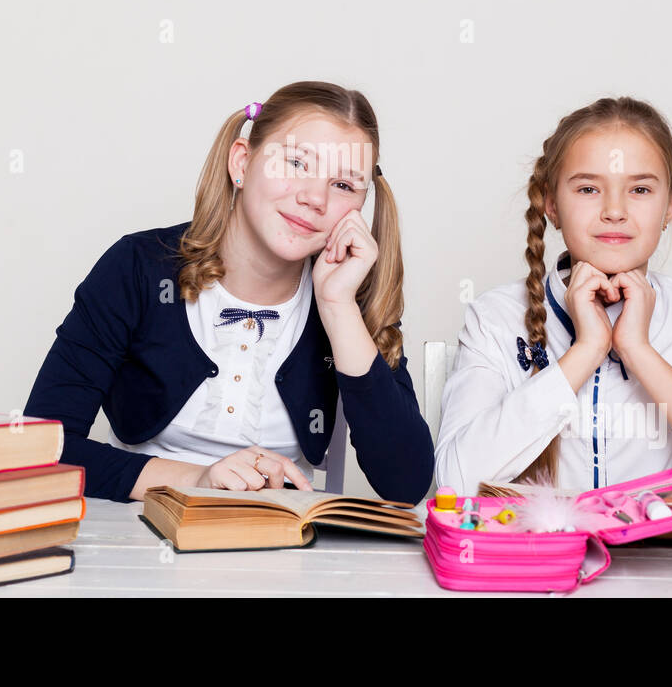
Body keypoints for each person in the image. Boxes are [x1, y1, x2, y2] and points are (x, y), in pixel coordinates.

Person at [25, 81, 434, 505]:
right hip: (137, 532)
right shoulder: (137, 267)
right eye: (295, 163)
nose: (315, 198)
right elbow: (41, 448)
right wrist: (199, 479)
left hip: (283, 547)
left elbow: (405, 484)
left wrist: (338, 308)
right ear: (241, 162)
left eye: (344, 185)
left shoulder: (348, 295)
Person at [434, 96, 672, 496]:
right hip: (537, 556)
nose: (614, 211)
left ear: (671, 204)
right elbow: (454, 483)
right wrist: (586, 350)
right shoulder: (495, 317)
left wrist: (639, 351)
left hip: (666, 558)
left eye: (639, 189)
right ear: (551, 203)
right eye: (588, 188)